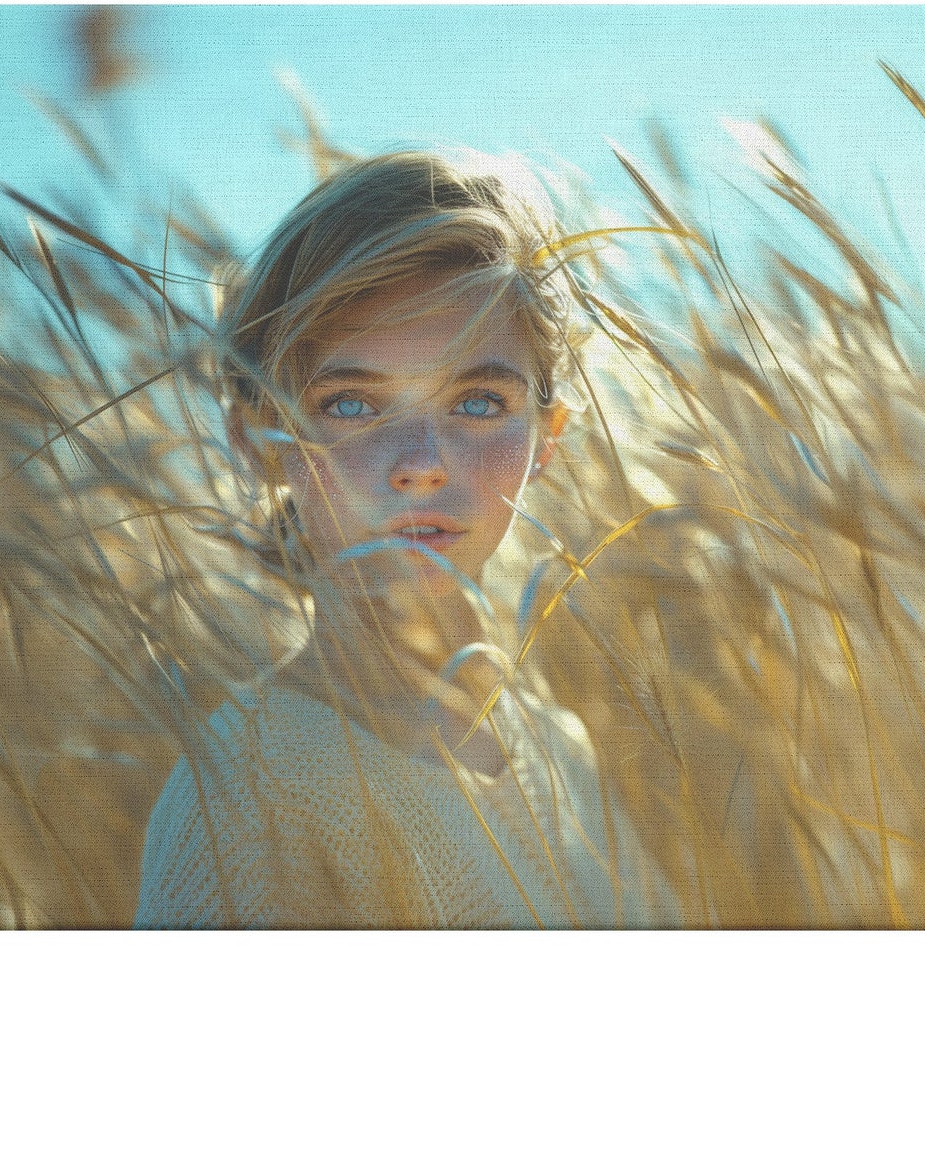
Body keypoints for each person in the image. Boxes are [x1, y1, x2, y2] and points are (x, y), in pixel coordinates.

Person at [134, 149, 675, 928]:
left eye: (479, 402)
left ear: (546, 437)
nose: (421, 464)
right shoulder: (241, 804)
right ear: (259, 439)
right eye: (352, 404)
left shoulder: (554, 745)